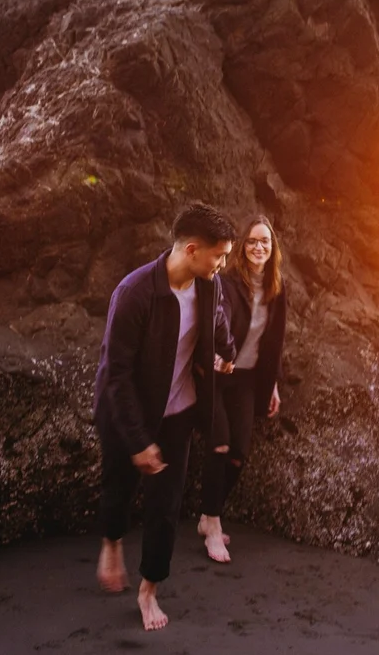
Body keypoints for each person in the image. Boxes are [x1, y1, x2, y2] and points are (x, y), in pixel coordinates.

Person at [93, 203, 238, 631]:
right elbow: (114, 374)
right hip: (127, 413)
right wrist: (138, 440)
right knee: (118, 488)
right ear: (192, 249)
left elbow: (217, 323)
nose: (224, 263)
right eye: (219, 255)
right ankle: (112, 539)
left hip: (177, 412)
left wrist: (225, 353)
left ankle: (148, 589)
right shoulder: (135, 293)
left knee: (166, 506)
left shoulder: (209, 284)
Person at [197, 215, 288, 563]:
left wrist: (274, 384)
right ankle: (214, 529)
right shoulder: (228, 282)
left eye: (265, 241)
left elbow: (275, 341)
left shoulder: (276, 288)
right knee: (219, 444)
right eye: (252, 241)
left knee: (239, 453)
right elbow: (213, 322)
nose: (258, 247)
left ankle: (209, 515)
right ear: (242, 246)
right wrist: (216, 356)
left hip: (248, 378)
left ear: (273, 248)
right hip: (219, 376)